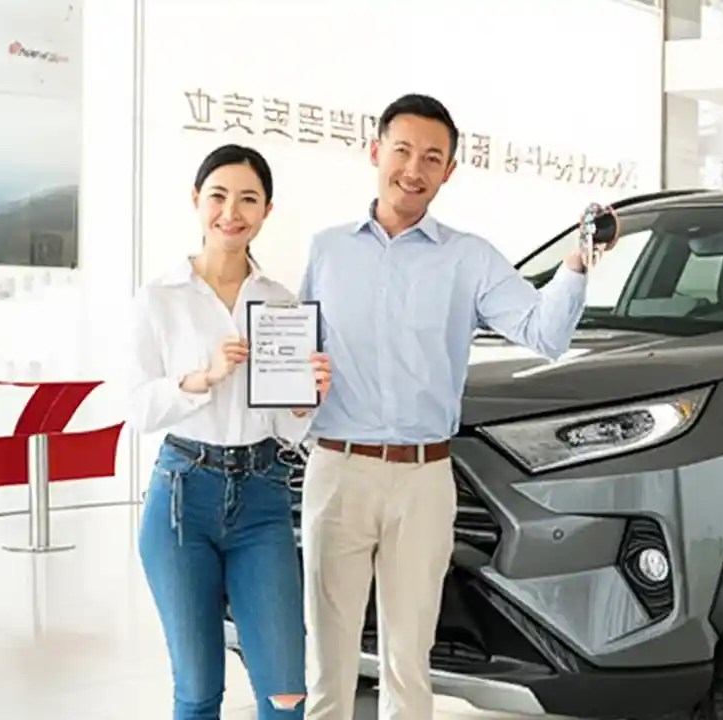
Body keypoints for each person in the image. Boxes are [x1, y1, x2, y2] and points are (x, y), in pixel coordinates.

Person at [297, 93, 601, 719]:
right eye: (402, 150)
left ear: (449, 171)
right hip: (336, 469)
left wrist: (576, 262)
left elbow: (545, 334)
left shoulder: (469, 258)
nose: (414, 168)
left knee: (410, 663)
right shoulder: (327, 250)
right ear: (375, 150)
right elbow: (296, 354)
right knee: (328, 660)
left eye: (431, 158)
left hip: (424, 478)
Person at [125, 143, 333, 720]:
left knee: (286, 694)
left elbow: (289, 428)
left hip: (263, 496)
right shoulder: (160, 298)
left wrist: (309, 397)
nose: (230, 212)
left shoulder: (282, 303)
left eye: (248, 199)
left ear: (266, 210)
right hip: (181, 499)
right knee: (197, 691)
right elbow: (139, 409)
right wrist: (202, 378)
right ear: (197, 200)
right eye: (218, 196)